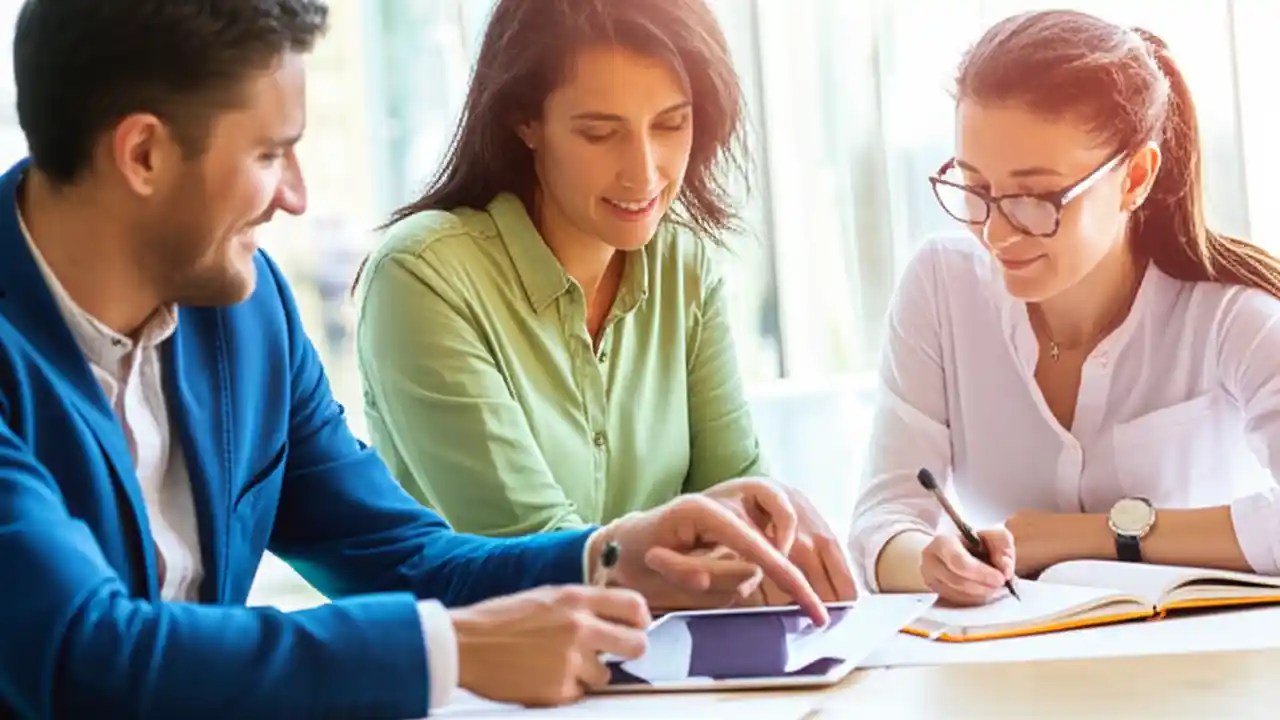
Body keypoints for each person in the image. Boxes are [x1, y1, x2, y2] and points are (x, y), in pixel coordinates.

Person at [0, 2, 828, 717]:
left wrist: (609, 554)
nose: (296, 194)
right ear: (142, 153)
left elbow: (403, 555)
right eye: (266, 155)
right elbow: (82, 657)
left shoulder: (246, 316)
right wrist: (447, 648)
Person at [353, 0, 854, 603]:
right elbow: (535, 552)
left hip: (669, 675)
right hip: (492, 685)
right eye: (599, 132)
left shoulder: (684, 269)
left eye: (670, 125)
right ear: (524, 120)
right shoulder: (425, 276)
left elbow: (746, 511)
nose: (643, 173)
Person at [849, 9, 1280, 606]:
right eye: (974, 189)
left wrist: (1076, 537)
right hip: (1015, 674)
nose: (996, 233)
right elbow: (883, 518)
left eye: (1033, 198)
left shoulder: (1232, 318)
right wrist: (932, 561)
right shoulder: (941, 286)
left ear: (1135, 178)